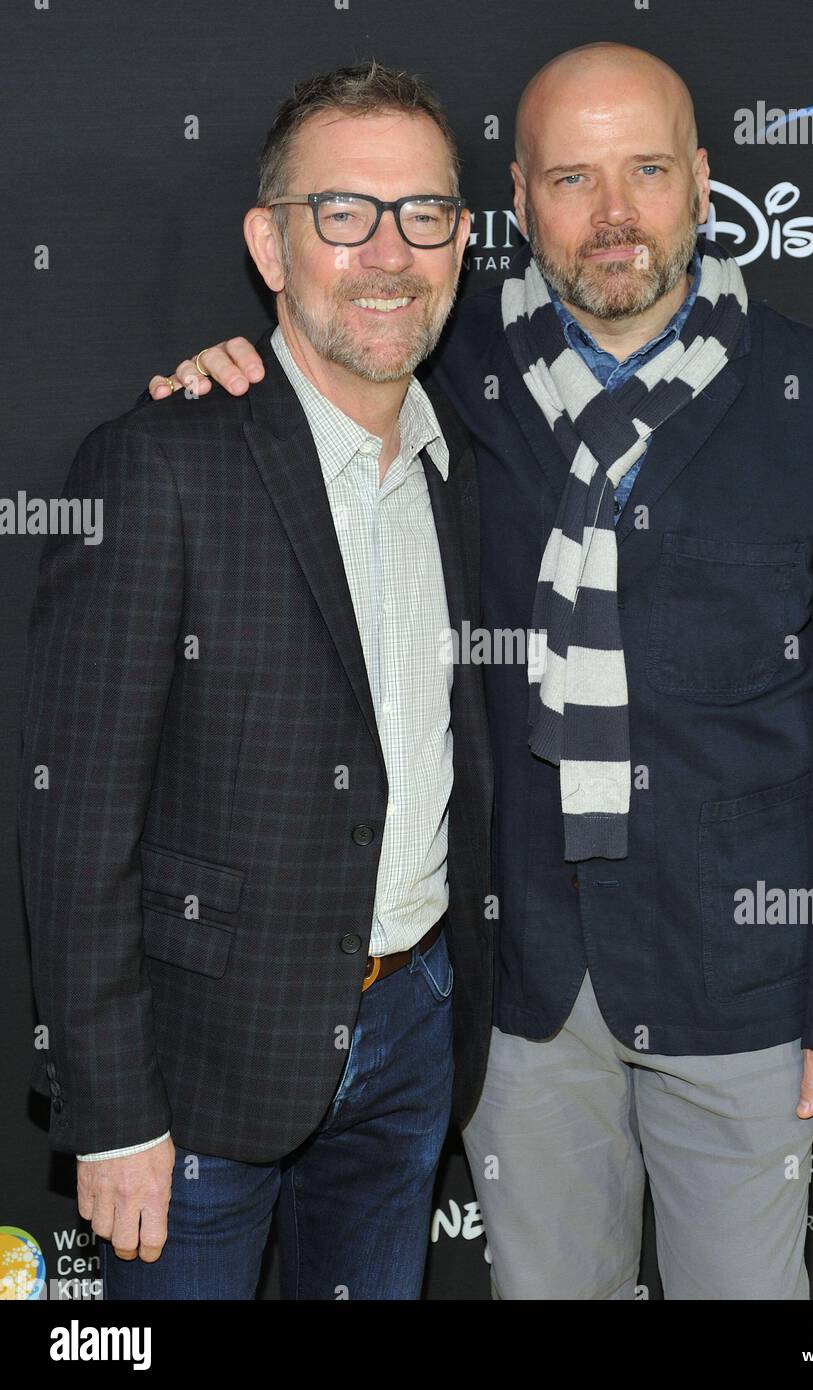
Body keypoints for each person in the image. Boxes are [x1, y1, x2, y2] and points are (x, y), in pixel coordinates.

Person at [148, 43, 813, 1300]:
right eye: (572, 177)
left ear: (703, 183)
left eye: (646, 171)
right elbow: (320, 371)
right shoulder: (448, 377)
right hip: (525, 991)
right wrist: (224, 377)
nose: (613, 213)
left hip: (746, 988)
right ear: (518, 202)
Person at [19, 62, 493, 1301]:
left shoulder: (463, 471)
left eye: (424, 214)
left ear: (462, 240)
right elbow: (75, 823)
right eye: (343, 212)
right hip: (200, 1073)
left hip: (414, 1033)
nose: (388, 251)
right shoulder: (158, 463)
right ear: (269, 245)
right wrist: (112, 1112)